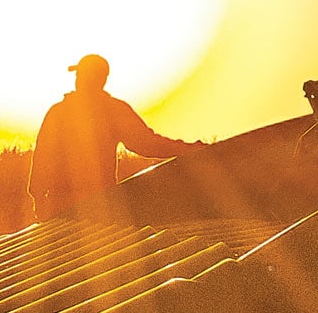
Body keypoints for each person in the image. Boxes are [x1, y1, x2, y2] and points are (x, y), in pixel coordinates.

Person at [27, 53, 202, 221]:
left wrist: (39, 199)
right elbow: (147, 144)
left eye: (81, 74)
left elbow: (43, 157)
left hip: (79, 206)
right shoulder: (111, 110)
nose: (78, 79)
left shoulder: (62, 112)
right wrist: (190, 149)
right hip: (93, 206)